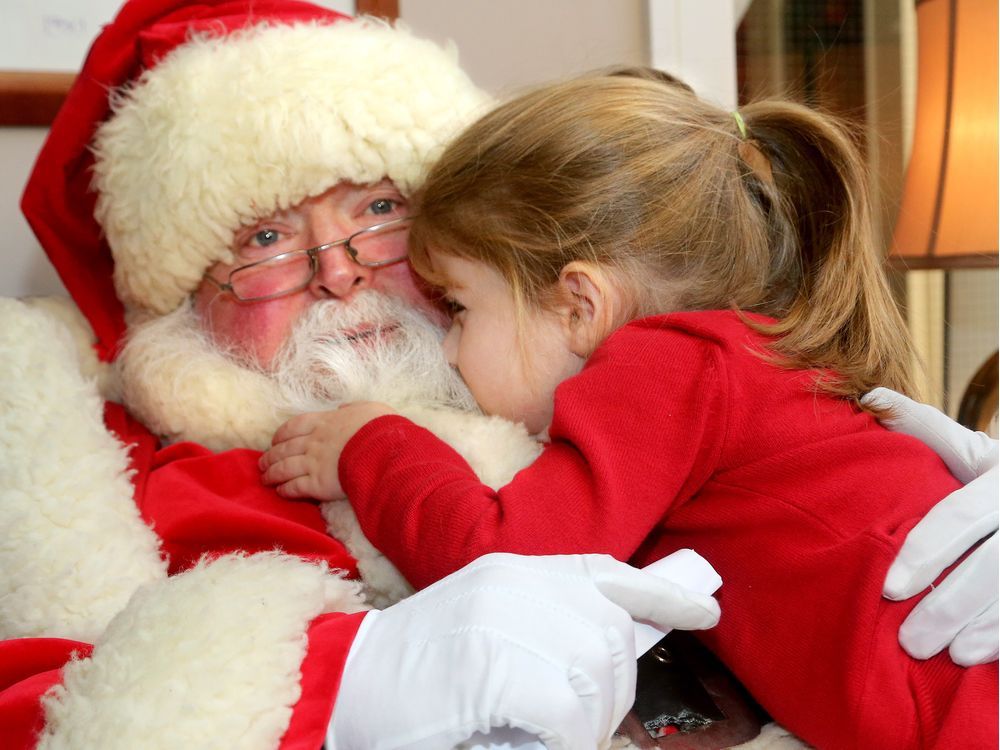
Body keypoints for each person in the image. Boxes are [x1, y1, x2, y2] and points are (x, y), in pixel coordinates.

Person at [0, 0, 990, 745]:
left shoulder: (606, 381)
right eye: (264, 235)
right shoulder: (97, 477)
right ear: (175, 295)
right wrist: (347, 686)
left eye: (380, 212)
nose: (340, 274)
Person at [260, 69, 1000, 749]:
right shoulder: (738, 361)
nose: (448, 351)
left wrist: (372, 446)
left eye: (457, 308)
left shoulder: (664, 363)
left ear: (580, 303)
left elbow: (507, 568)